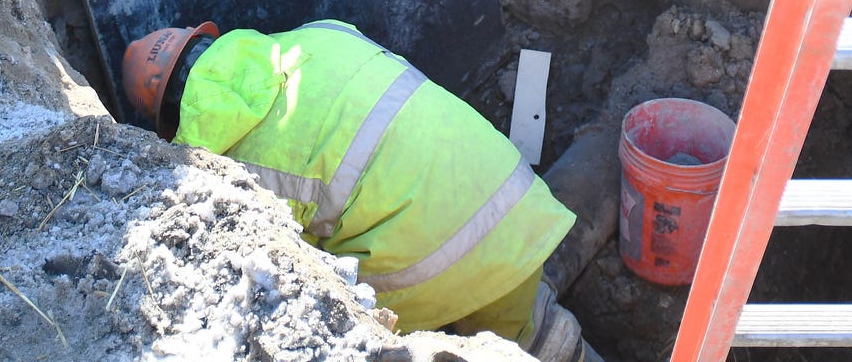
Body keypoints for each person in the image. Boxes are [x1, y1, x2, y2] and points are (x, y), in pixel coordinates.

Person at [123, 22, 597, 362]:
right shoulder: (320, 35)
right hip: (507, 194)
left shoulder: (226, 173)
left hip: (431, 270)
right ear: (212, 39)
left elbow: (292, 275)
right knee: (529, 329)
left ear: (167, 125)